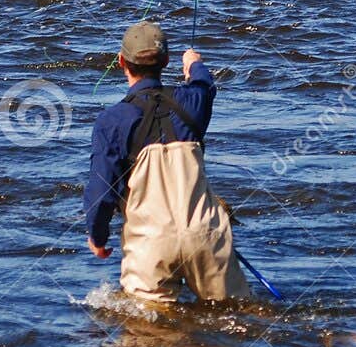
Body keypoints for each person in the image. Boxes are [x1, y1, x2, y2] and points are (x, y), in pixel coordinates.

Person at [84, 20, 252, 303]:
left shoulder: (110, 121)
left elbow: (102, 192)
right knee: (237, 316)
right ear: (166, 61)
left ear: (121, 62)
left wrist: (97, 238)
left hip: (150, 243)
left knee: (146, 333)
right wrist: (194, 63)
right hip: (205, 234)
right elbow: (204, 84)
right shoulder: (194, 103)